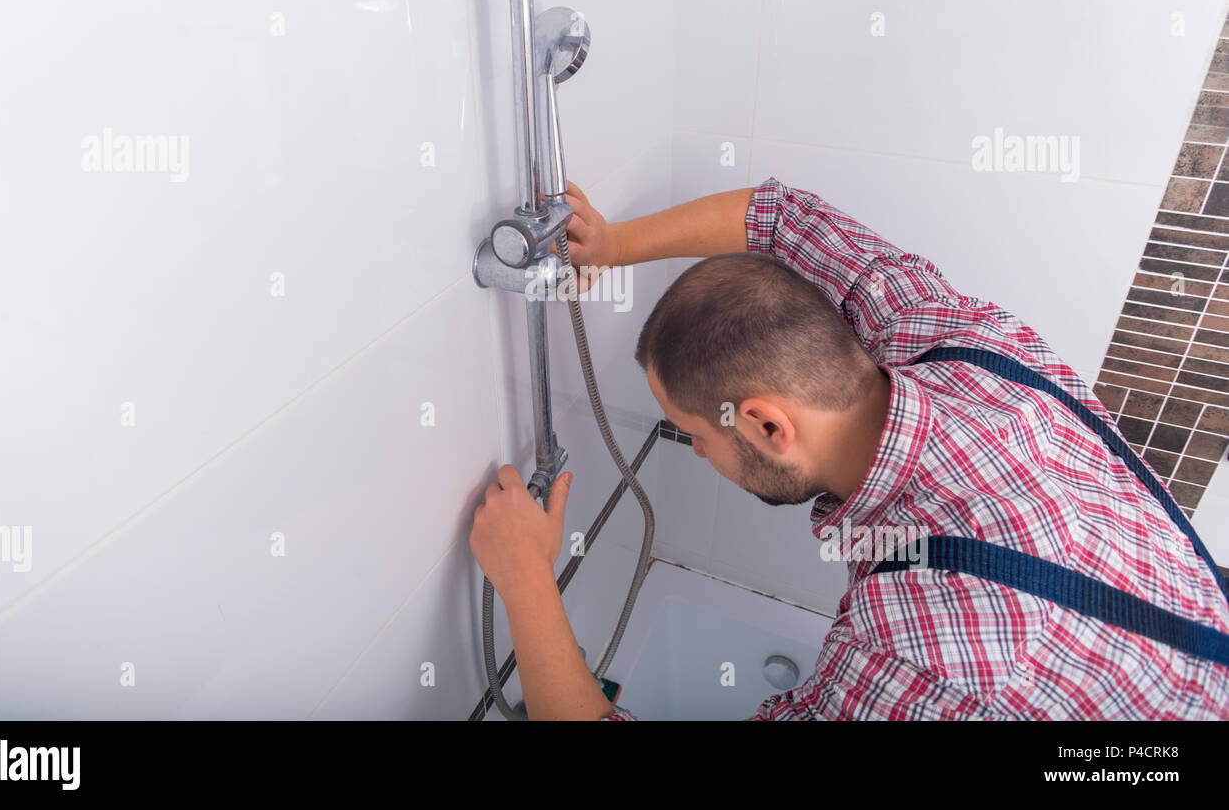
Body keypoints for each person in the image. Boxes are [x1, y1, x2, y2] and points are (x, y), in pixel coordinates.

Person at [469, 177, 1229, 719]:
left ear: (769, 426)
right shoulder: (957, 338)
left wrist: (527, 581)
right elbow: (784, 216)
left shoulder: (915, 653)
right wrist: (614, 243)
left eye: (698, 435)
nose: (695, 454)